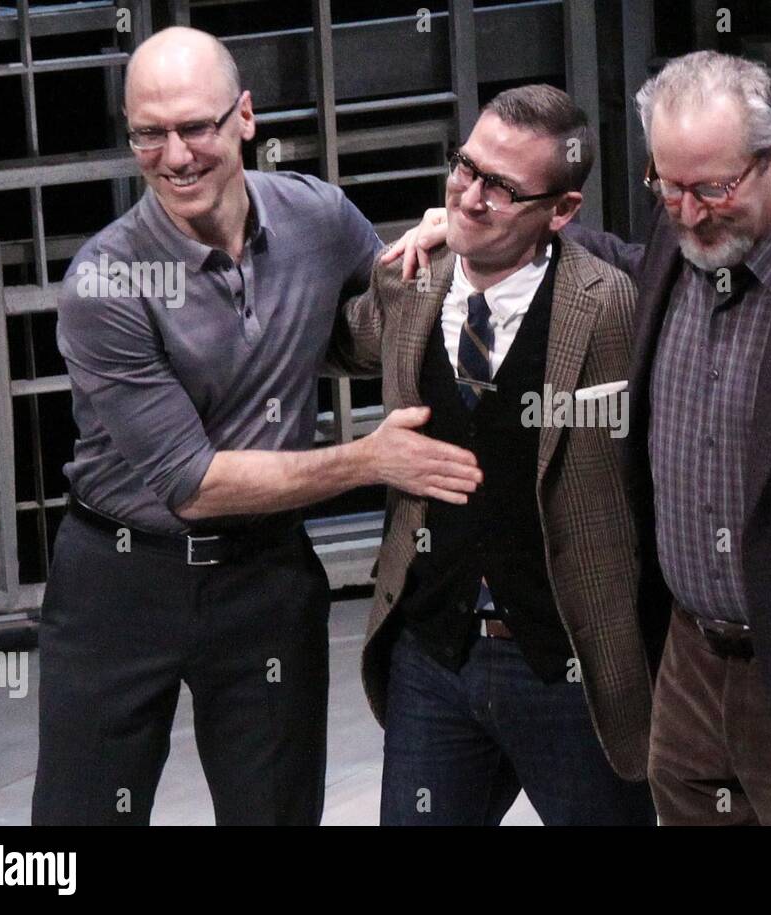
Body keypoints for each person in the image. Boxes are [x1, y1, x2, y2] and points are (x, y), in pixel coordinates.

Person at [392, 50, 771, 825]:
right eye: (666, 186)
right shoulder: (678, 243)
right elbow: (613, 257)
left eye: (712, 187)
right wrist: (472, 221)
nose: (688, 211)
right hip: (687, 676)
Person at [35, 26, 481, 825]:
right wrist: (371, 460)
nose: (175, 156)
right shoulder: (107, 282)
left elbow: (373, 315)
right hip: (122, 579)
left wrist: (442, 246)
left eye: (196, 127)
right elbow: (193, 484)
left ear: (245, 116)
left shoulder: (314, 216)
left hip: (263, 573)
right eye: (149, 134)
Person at [332, 85, 658, 825]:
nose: (470, 198)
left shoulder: (612, 305)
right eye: (465, 169)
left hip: (567, 658)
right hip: (433, 651)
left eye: (502, 188)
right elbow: (325, 338)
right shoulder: (411, 285)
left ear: (563, 209)